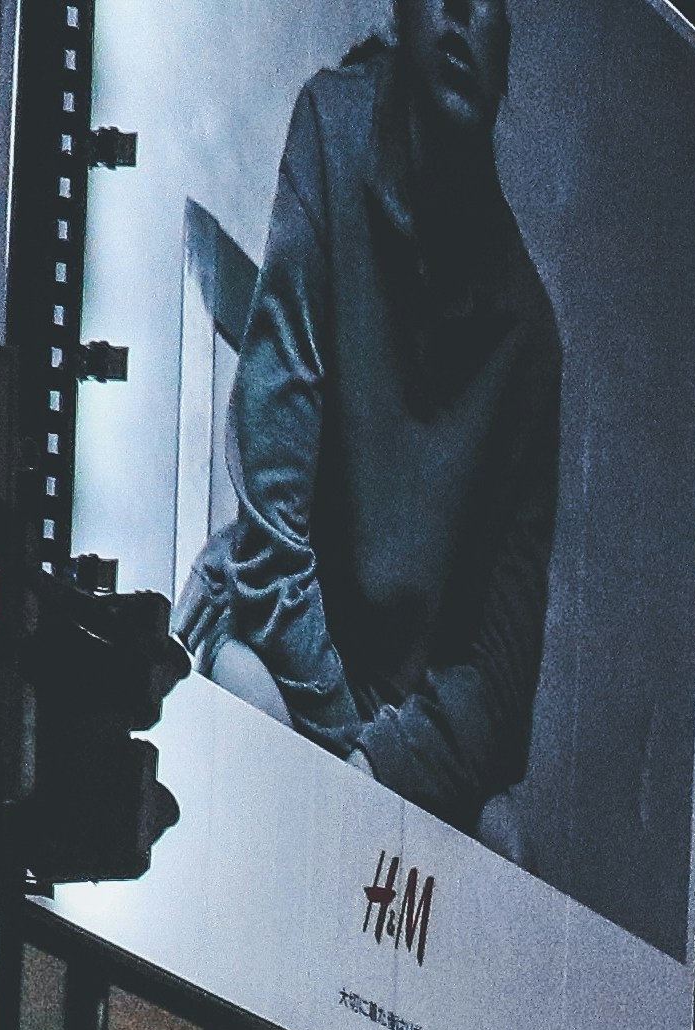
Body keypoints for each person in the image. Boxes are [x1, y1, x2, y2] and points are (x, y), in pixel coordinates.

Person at [176, 0, 563, 838]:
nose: (462, 14)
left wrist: (383, 763)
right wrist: (349, 758)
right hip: (291, 671)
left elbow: (502, 676)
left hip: (395, 733)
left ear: (508, 41)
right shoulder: (332, 129)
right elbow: (274, 513)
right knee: (244, 698)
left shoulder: (528, 335)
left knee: (508, 842)